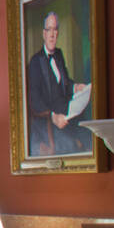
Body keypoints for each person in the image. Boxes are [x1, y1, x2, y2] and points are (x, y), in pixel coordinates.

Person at [26, 11, 91, 156]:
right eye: (48, 29)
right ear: (44, 33)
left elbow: (65, 83)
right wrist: (53, 116)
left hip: (68, 113)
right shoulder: (36, 61)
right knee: (69, 146)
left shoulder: (59, 54)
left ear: (58, 32)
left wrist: (76, 87)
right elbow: (34, 98)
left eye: (55, 29)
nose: (52, 34)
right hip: (50, 120)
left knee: (91, 137)